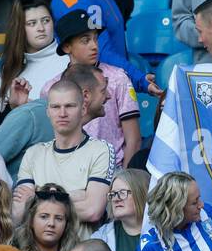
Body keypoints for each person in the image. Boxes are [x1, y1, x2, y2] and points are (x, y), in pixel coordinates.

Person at [41, 17, 140, 168]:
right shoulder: (51, 88)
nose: (94, 46)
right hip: (66, 174)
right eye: (85, 40)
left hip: (113, 174)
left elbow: (133, 139)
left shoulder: (118, 78)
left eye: (95, 39)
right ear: (67, 47)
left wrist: (124, 182)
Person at [12, 80, 112, 228]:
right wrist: (75, 196)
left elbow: (92, 211)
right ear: (48, 112)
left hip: (81, 248)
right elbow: (18, 214)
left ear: (83, 109)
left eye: (70, 106)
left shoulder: (100, 150)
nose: (62, 113)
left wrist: (36, 197)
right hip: (36, 248)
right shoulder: (33, 153)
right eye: (55, 107)